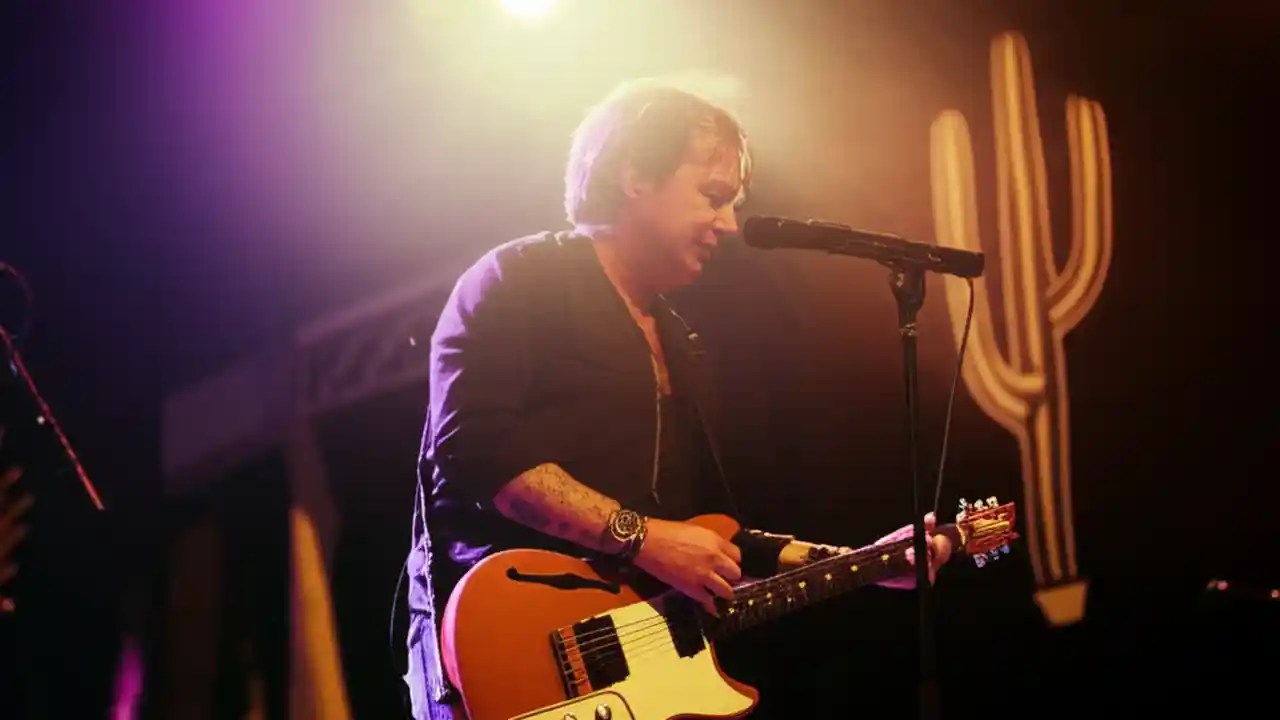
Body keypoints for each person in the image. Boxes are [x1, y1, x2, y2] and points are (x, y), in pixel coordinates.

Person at [401, 79, 952, 720]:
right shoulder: (518, 279)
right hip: (508, 651)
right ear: (636, 175)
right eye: (713, 197)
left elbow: (706, 534)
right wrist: (643, 538)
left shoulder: (680, 341)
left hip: (632, 676)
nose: (729, 225)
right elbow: (479, 454)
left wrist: (863, 562)